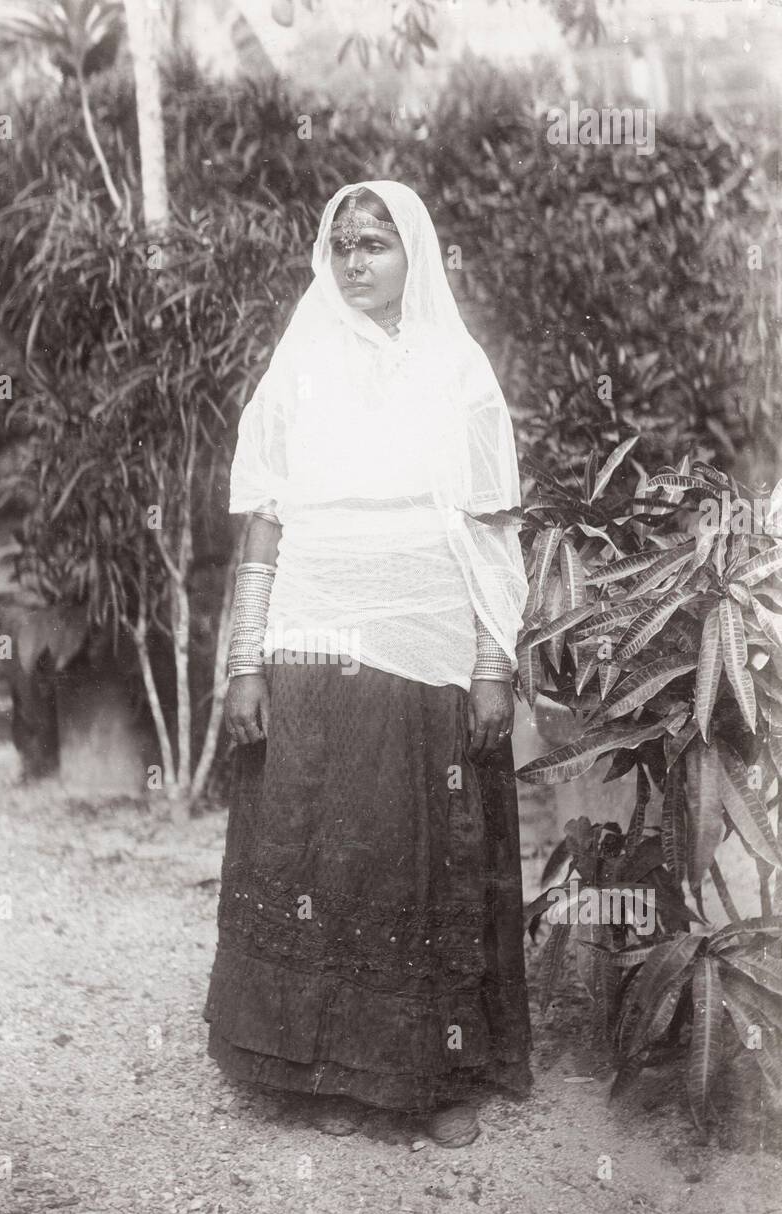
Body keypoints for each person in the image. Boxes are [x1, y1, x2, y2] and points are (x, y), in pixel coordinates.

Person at [203, 181, 531, 1146]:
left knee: (428, 859)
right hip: (312, 646)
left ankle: (437, 1079)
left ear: (413, 255)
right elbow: (265, 520)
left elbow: (487, 532)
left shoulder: (459, 374)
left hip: (426, 654)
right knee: (322, 853)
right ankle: (323, 1072)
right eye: (342, 244)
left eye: (376, 244)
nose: (356, 262)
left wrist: (491, 665)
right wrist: (245, 663)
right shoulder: (298, 364)